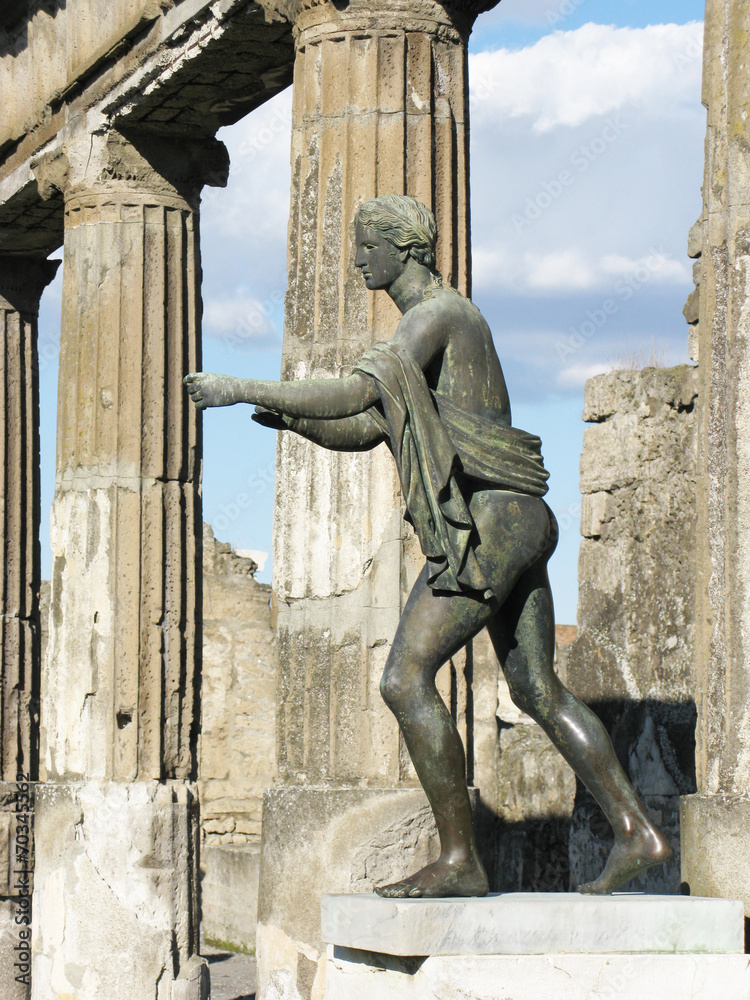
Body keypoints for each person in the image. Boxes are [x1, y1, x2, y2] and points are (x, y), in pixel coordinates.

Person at [184, 194, 672, 898]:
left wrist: (240, 386)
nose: (356, 260)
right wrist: (290, 419)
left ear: (403, 249)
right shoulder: (432, 335)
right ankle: (639, 833)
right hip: (519, 517)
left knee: (403, 679)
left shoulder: (439, 316)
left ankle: (460, 858)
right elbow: (367, 426)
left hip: (489, 523)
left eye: (365, 245)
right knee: (536, 688)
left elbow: (355, 393)